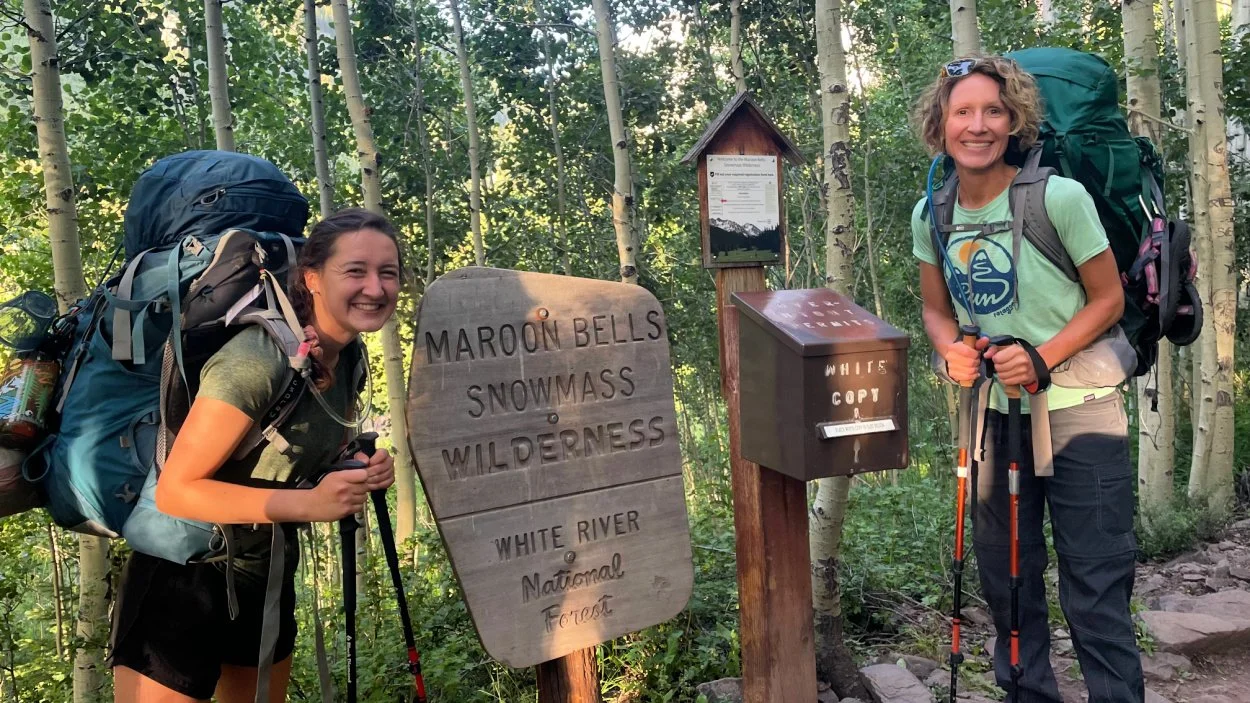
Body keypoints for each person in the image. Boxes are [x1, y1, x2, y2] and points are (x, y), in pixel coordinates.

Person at [911, 57, 1143, 702]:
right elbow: (936, 309)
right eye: (963, 111)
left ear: (1014, 120)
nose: (977, 125)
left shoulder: (1058, 198)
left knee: (1096, 590)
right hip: (995, 419)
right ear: (941, 124)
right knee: (1008, 584)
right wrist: (950, 348)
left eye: (993, 111)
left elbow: (1107, 300)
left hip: (1082, 414)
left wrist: (1041, 358)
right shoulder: (932, 213)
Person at [109, 208, 402, 703]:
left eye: (387, 272)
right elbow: (178, 491)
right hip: (181, 582)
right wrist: (310, 506)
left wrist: (356, 464)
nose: (375, 287)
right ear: (311, 279)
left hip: (265, 576)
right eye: (355, 271)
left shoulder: (345, 354)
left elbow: (291, 449)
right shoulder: (256, 361)